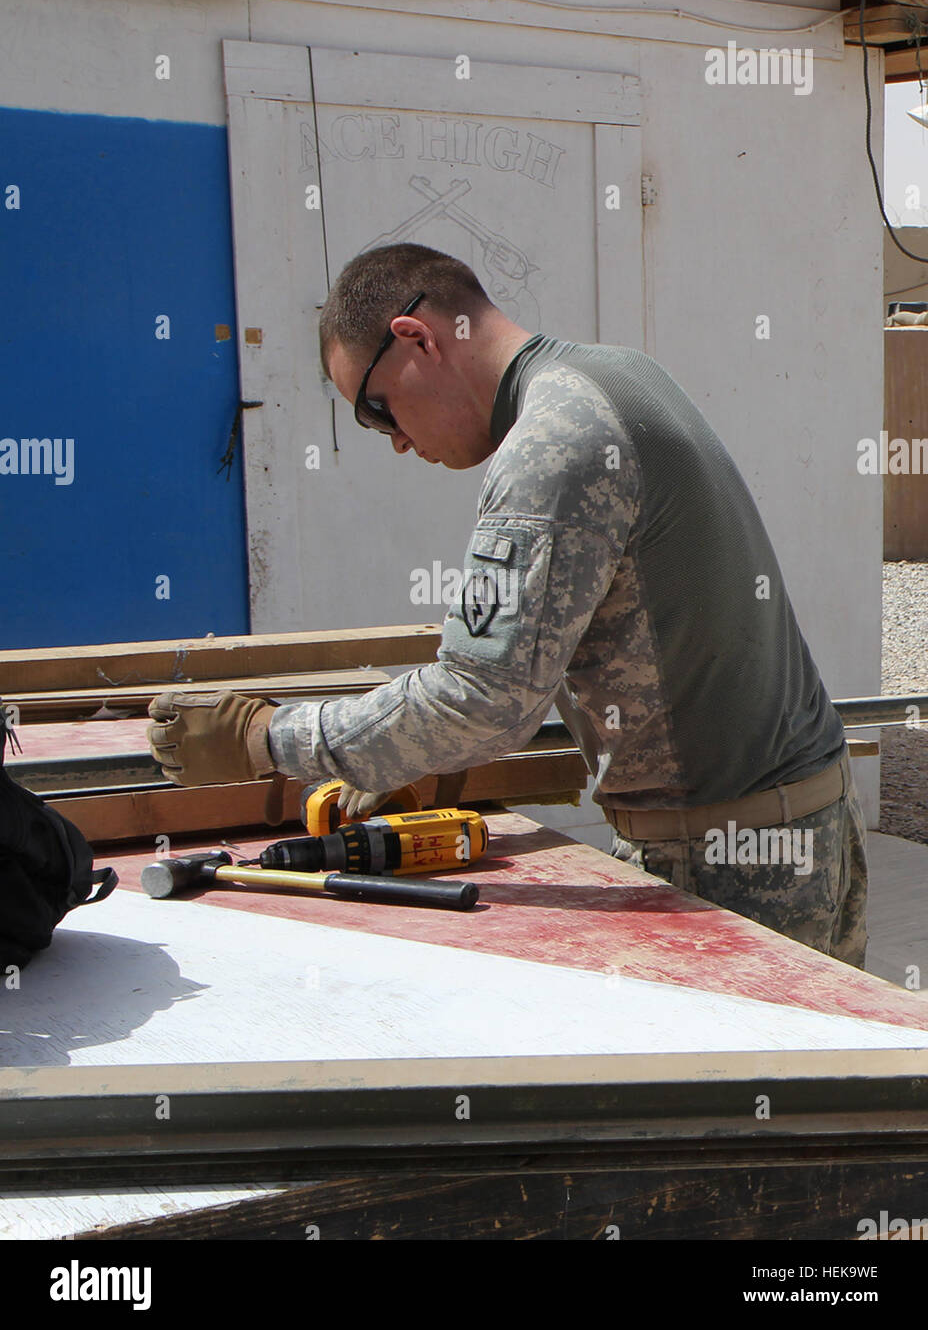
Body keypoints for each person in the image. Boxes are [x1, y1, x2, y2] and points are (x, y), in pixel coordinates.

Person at [148, 242, 868, 968]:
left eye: (376, 409)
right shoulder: (617, 374)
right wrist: (406, 750)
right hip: (808, 825)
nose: (395, 441)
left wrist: (265, 736)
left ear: (416, 339)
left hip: (729, 868)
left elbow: (482, 697)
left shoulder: (553, 441)